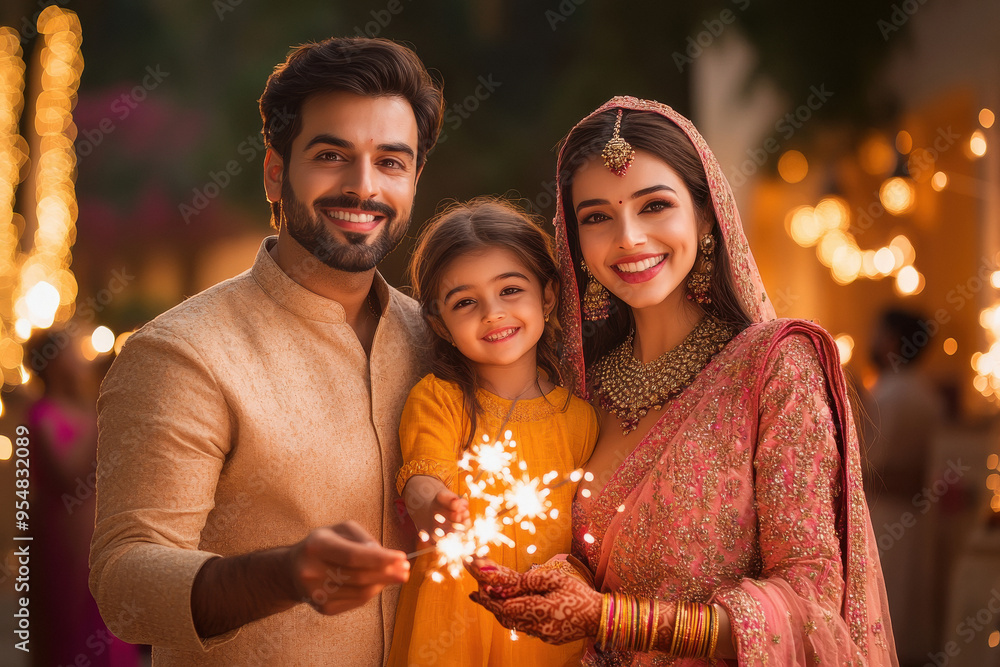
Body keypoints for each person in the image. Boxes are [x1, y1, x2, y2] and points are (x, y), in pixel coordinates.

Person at [467, 97, 899, 666]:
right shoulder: (577, 387)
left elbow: (810, 608)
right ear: (575, 241)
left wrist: (611, 618)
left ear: (705, 216)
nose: (628, 238)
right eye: (596, 217)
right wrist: (554, 578)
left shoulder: (775, 367)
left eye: (655, 206)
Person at [89, 37, 444, 665]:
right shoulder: (183, 355)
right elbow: (125, 586)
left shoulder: (438, 342)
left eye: (391, 162)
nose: (363, 187)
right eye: (332, 155)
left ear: (414, 180)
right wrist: (280, 576)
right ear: (276, 172)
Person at [387, 198, 598, 666]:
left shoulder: (581, 420)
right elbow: (423, 476)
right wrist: (431, 503)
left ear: (547, 296)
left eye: (510, 290)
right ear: (440, 324)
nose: (492, 313)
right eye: (465, 302)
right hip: (455, 622)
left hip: (542, 629)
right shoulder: (440, 399)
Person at [864, 308, 944, 667]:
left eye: (878, 333)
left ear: (892, 341)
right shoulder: (926, 393)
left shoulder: (889, 395)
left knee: (885, 614)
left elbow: (870, 464)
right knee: (908, 610)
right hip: (914, 517)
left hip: (884, 516)